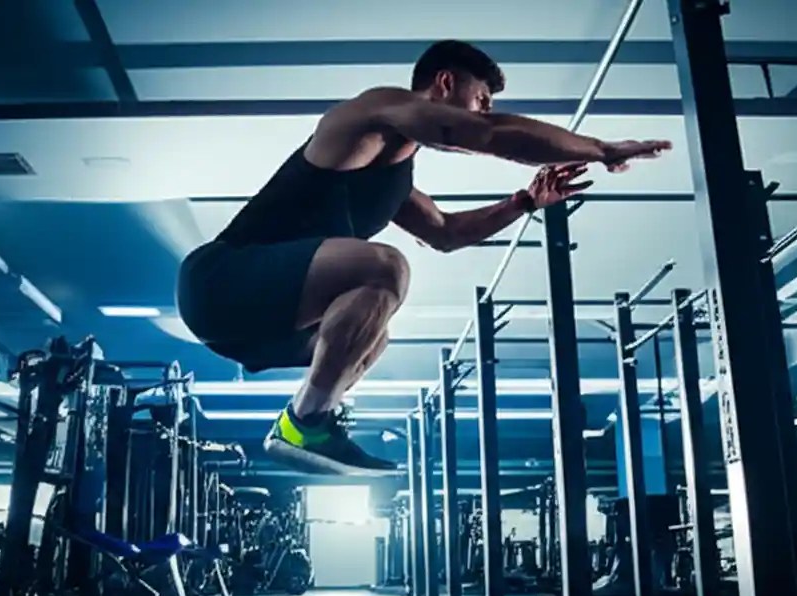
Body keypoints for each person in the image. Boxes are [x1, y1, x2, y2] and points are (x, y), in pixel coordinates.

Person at [177, 39, 671, 475]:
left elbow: (445, 233)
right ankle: (305, 422)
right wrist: (600, 149)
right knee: (385, 266)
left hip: (259, 328)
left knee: (376, 333)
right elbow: (486, 134)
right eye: (481, 98)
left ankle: (307, 423)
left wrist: (524, 202)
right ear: (445, 82)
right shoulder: (374, 111)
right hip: (220, 282)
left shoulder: (392, 176)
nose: (483, 111)